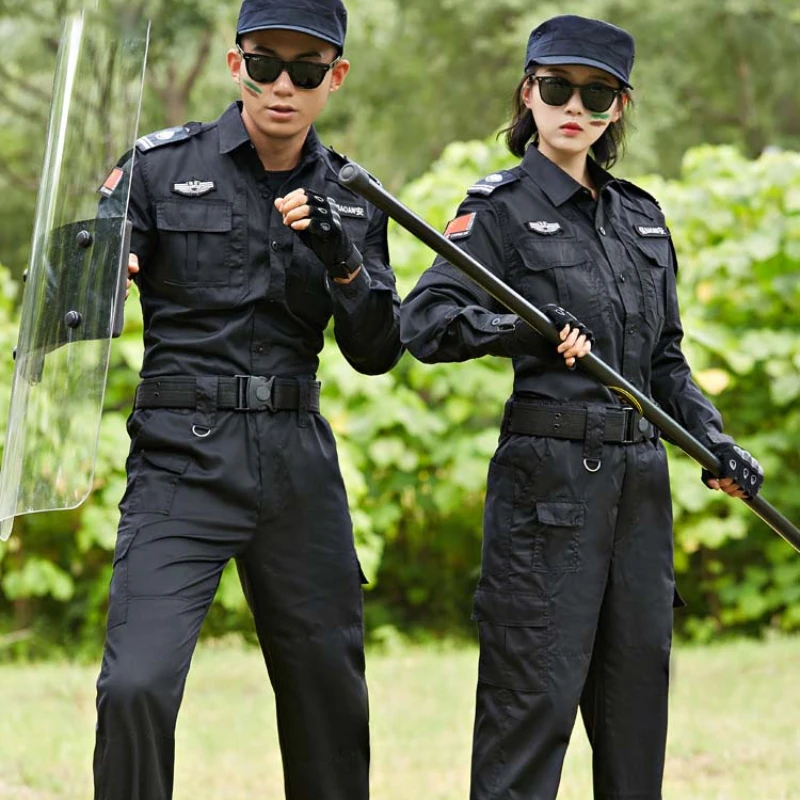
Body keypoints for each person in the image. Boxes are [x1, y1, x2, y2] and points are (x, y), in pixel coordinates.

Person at [400, 14, 763, 800]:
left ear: (618, 107)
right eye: (557, 87)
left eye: (596, 95)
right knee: (528, 724)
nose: (574, 107)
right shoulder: (497, 208)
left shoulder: (643, 217)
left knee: (635, 735)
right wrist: (521, 331)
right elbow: (423, 323)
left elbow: (665, 362)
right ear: (528, 93)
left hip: (640, 497)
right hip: (547, 498)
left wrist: (715, 444)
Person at [93, 1, 402, 798]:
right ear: (237, 65)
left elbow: (376, 352)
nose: (282, 86)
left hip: (297, 463)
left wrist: (343, 261)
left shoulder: (354, 195)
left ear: (335, 77)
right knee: (135, 686)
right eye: (265, 64)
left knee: (330, 698)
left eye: (306, 70)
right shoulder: (158, 167)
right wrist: (101, 277)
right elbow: (81, 288)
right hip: (180, 458)